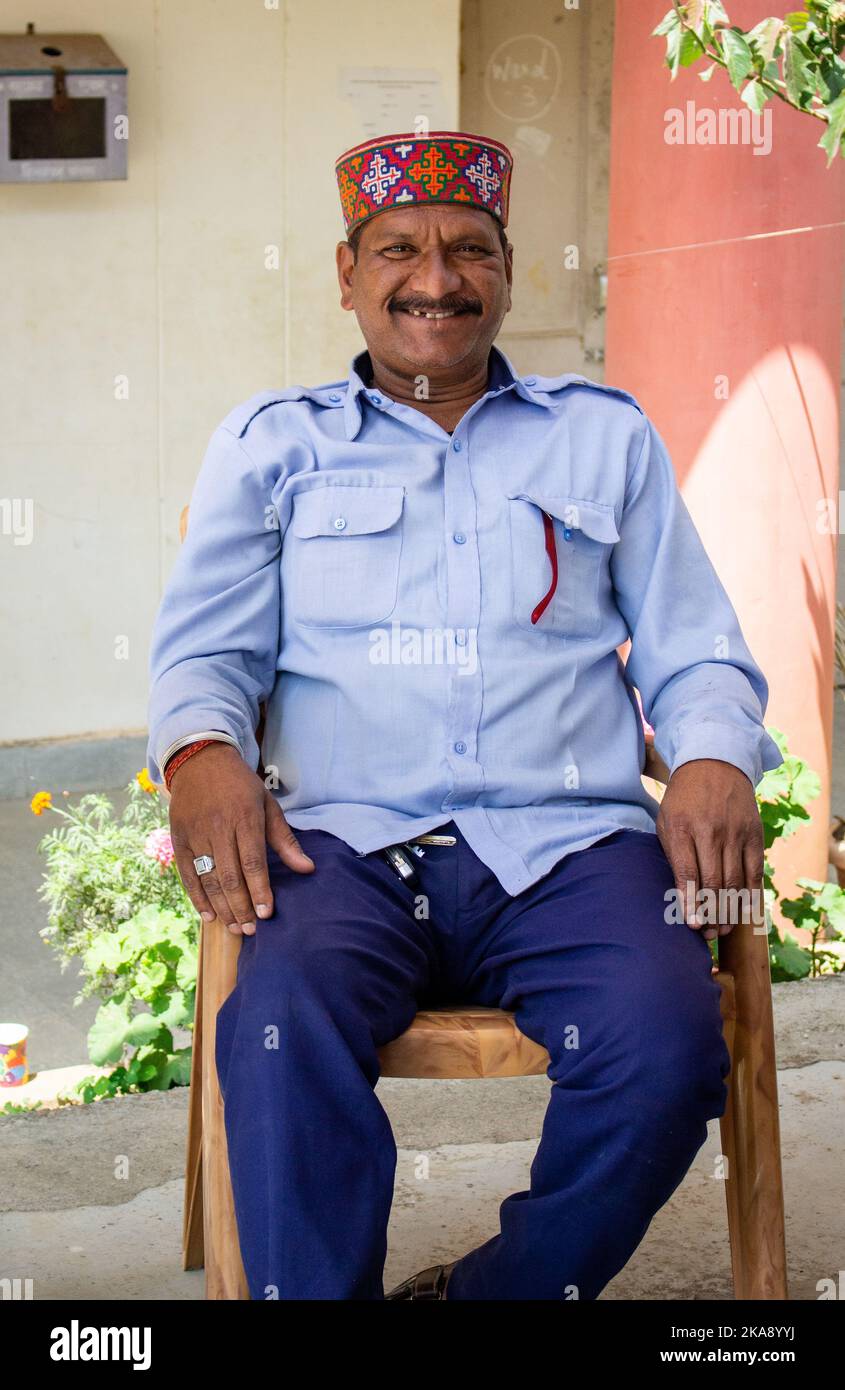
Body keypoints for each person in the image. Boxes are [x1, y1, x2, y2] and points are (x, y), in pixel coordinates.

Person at [146, 129, 783, 1300]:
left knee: (663, 1043)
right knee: (278, 1023)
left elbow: (697, 649)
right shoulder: (270, 446)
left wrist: (711, 756)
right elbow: (204, 655)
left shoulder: (606, 435)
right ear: (347, 273)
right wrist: (197, 752)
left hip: (568, 846)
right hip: (338, 843)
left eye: (466, 250)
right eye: (398, 248)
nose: (434, 279)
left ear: (505, 268)